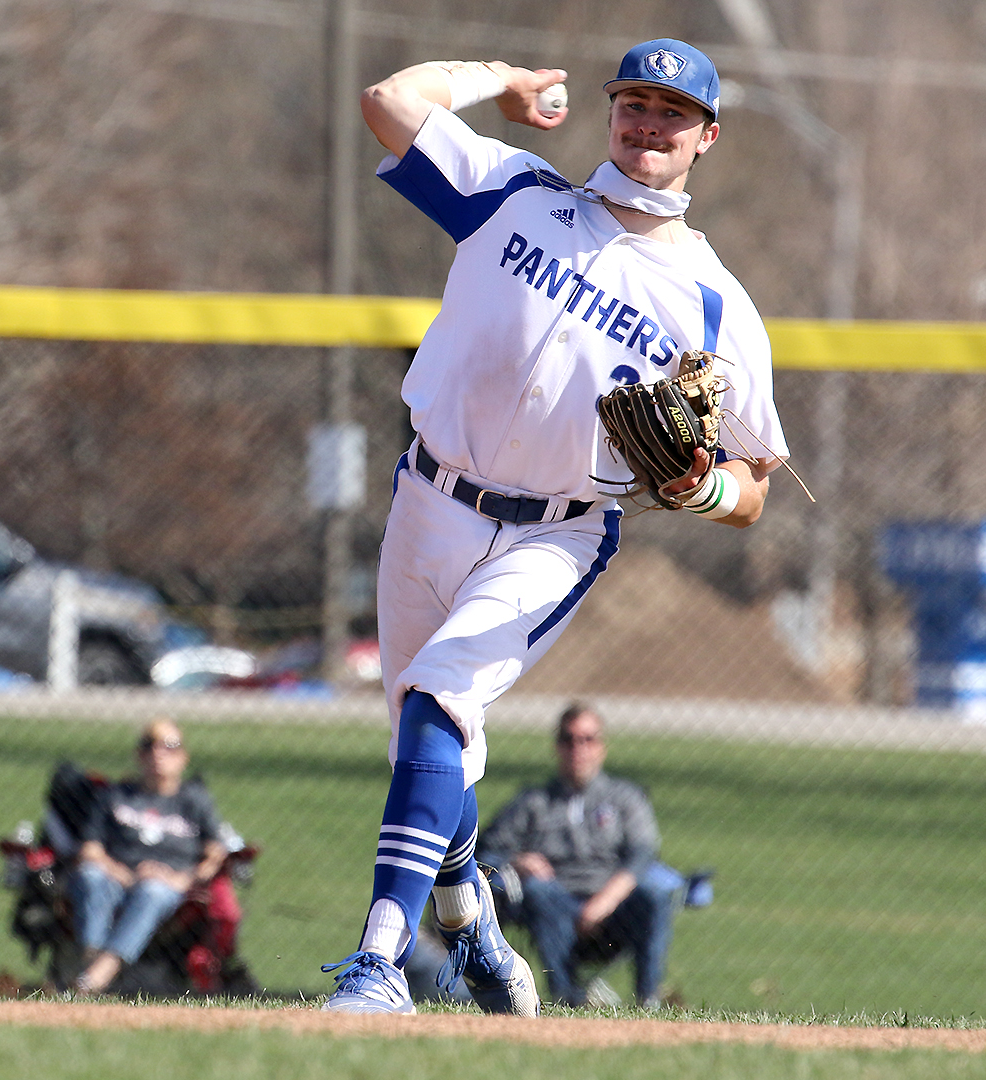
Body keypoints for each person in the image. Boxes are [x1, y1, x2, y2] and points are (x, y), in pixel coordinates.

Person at [321, 40, 788, 1015]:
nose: (648, 124)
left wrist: (707, 491)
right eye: (636, 102)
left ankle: (376, 963)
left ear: (707, 137)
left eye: (673, 112)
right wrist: (506, 80)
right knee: (422, 738)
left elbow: (755, 484)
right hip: (427, 497)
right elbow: (386, 99)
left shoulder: (715, 303)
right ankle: (468, 911)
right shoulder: (515, 193)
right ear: (611, 111)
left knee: (442, 697)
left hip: (555, 534)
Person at [479, 704, 680, 1008]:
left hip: (615, 908)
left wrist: (604, 902)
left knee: (657, 894)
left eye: (588, 739)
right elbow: (486, 850)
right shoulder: (534, 802)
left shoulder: (625, 798)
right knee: (538, 892)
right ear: (557, 746)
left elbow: (643, 854)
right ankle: (566, 999)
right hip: (553, 905)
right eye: (568, 739)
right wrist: (518, 862)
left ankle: (647, 1001)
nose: (578, 748)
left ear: (602, 746)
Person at [67, 718, 228, 994]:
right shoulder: (116, 795)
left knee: (152, 891)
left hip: (168, 884)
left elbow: (216, 853)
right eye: (149, 746)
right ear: (138, 755)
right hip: (116, 877)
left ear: (183, 757)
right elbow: (89, 849)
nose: (158, 753)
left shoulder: (194, 801)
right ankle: (91, 960)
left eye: (169, 746)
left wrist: (182, 879)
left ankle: (99, 974)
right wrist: (124, 875)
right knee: (90, 875)